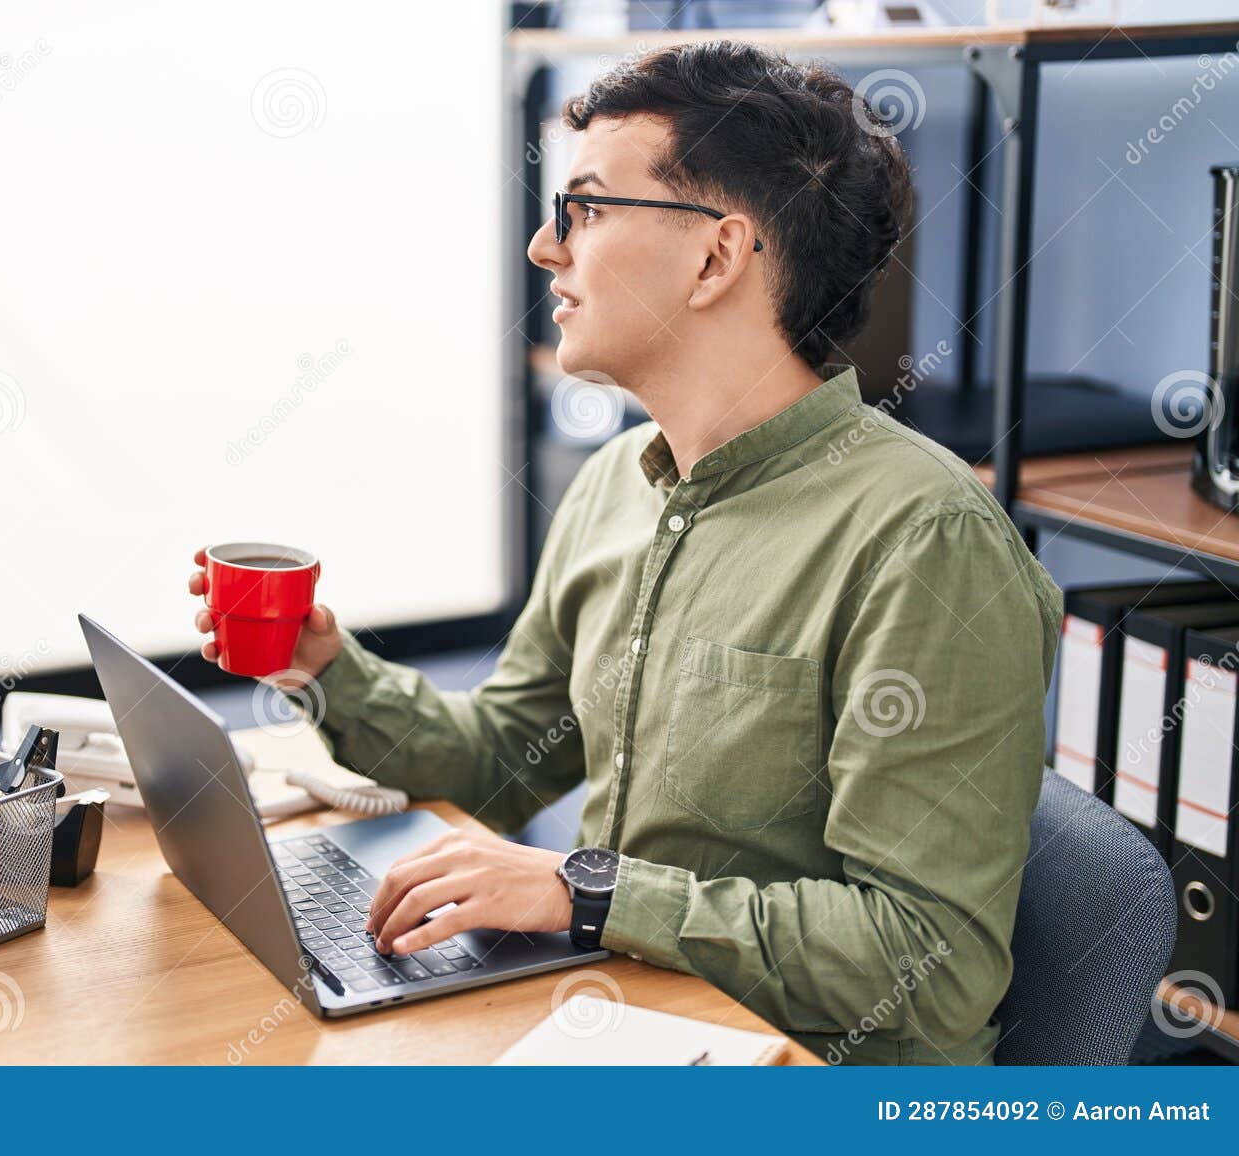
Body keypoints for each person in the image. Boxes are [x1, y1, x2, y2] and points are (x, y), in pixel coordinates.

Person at [189, 41, 1061, 1066]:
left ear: (716, 256)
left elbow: (927, 962)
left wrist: (587, 891)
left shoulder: (926, 541)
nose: (543, 248)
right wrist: (322, 663)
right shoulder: (615, 487)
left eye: (588, 209)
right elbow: (497, 763)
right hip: (623, 1025)